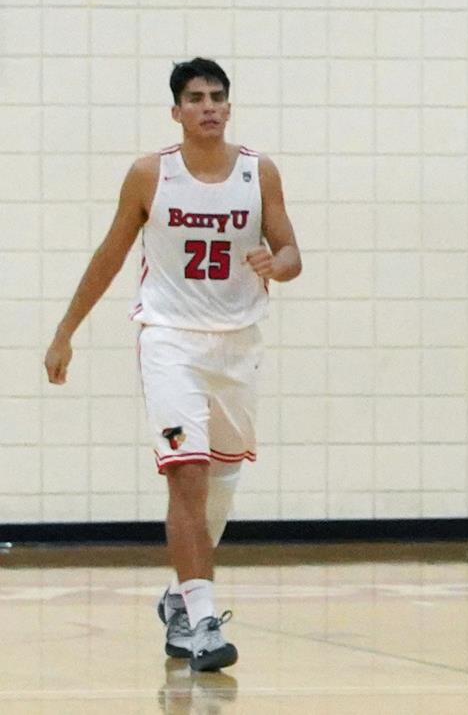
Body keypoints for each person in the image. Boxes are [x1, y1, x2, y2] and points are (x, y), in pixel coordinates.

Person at [43, 57, 303, 673]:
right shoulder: (149, 175)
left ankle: (179, 598)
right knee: (184, 473)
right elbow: (110, 256)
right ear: (177, 111)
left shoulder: (257, 172)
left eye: (217, 96)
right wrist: (65, 331)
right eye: (196, 97)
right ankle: (203, 622)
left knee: (222, 481)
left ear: (229, 108)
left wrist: (279, 263)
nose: (208, 106)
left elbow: (291, 249)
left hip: (238, 343)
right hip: (170, 340)